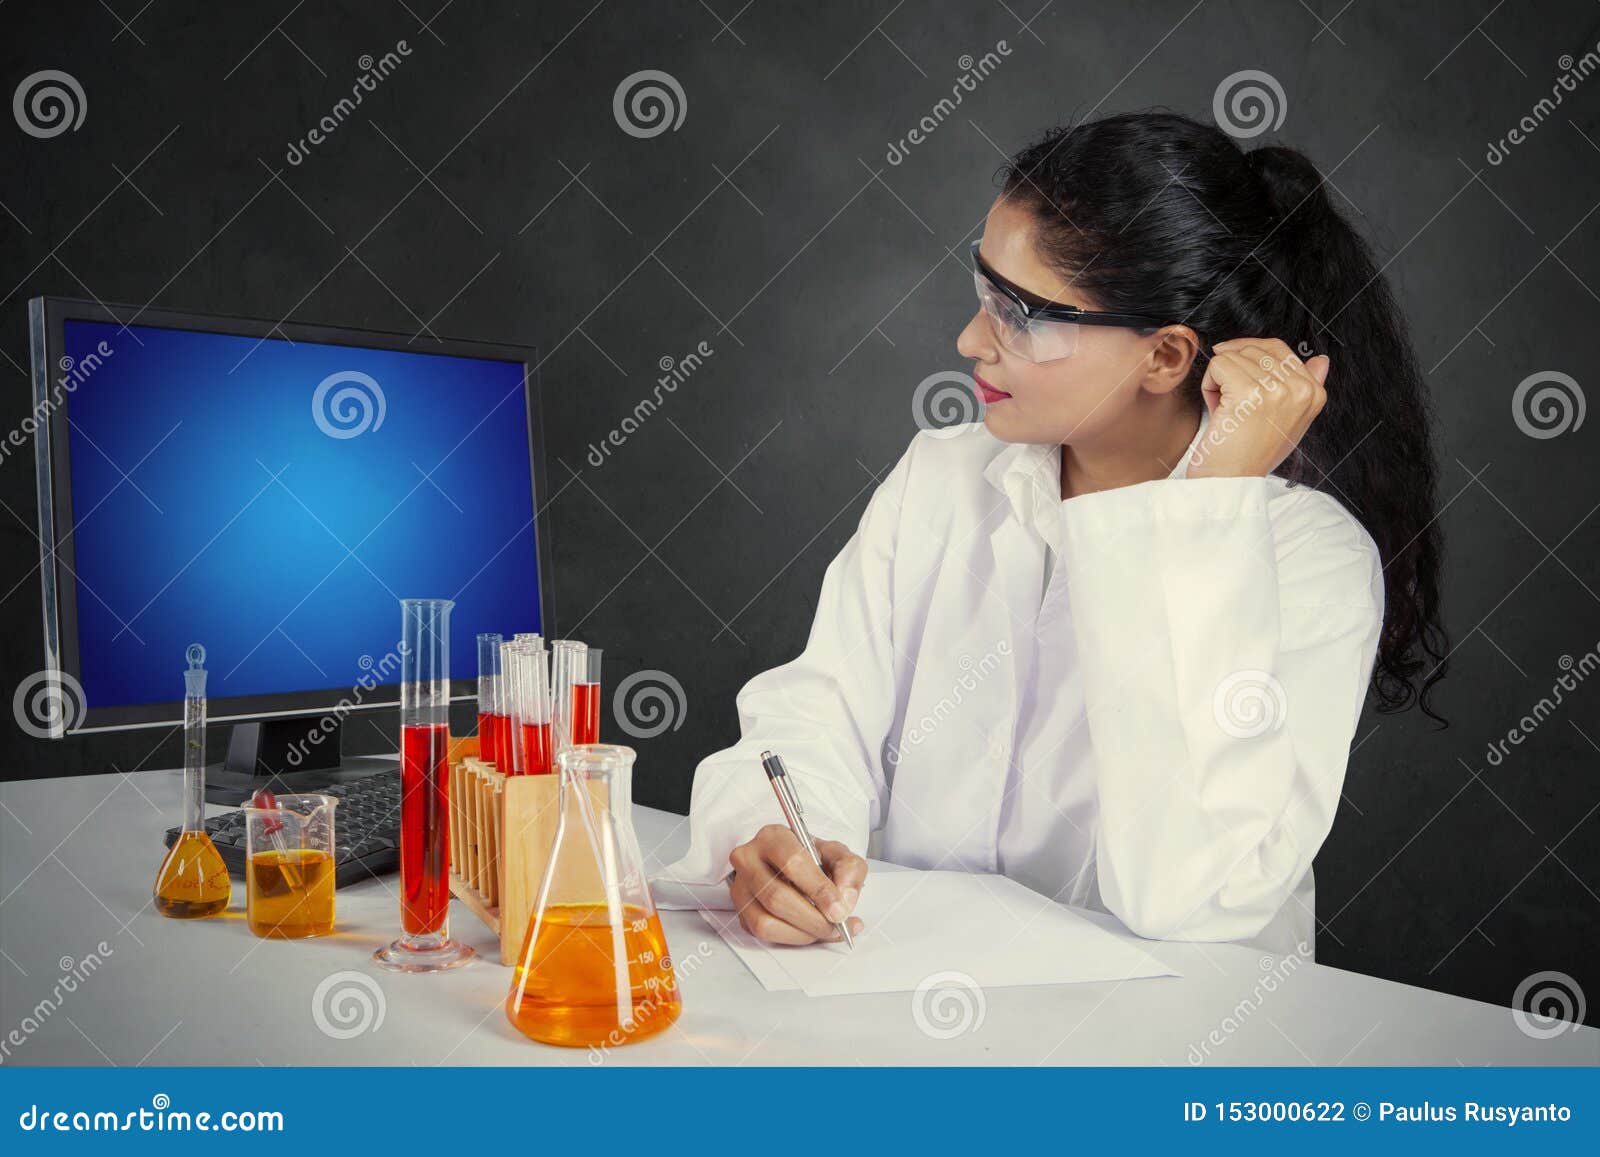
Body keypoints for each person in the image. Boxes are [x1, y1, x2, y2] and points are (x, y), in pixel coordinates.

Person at [653, 111, 1448, 955]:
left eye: (1019, 314)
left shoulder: (1311, 563)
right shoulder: (945, 474)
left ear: (1167, 357)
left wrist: (1205, 513)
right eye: (984, 292)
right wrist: (781, 836)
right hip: (907, 1006)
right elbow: (819, 710)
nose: (970, 341)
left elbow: (1185, 895)